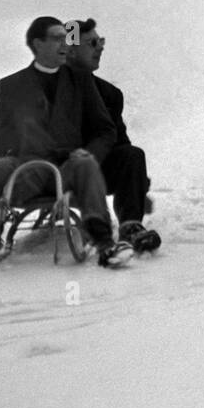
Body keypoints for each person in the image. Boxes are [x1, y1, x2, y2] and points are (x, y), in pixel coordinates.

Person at [0, 17, 133, 275]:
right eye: (57, 38)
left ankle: (104, 243)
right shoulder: (11, 86)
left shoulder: (80, 80)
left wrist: (89, 151)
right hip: (27, 170)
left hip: (68, 169)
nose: (64, 44)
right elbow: (0, 134)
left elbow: (105, 130)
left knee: (86, 162)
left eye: (66, 38)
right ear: (38, 44)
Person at [66, 20, 161, 253]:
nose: (100, 48)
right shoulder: (48, 88)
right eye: (93, 43)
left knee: (132, 155)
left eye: (102, 42)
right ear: (70, 50)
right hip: (60, 172)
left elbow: (121, 143)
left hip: (97, 170)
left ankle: (130, 227)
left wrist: (137, 187)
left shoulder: (109, 94)